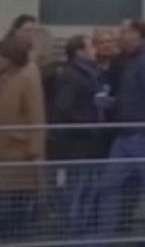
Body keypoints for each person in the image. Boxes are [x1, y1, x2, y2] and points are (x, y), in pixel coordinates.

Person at [101, 18, 145, 237]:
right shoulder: (130, 59)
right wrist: (115, 103)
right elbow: (133, 95)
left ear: (137, 34)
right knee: (109, 186)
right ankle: (104, 235)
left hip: (142, 135)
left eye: (124, 32)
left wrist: (144, 126)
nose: (119, 36)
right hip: (128, 132)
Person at [0, 36, 46, 243]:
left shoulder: (27, 77)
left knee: (13, 206)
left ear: (11, 57)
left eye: (0, 56)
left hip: (17, 152)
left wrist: (34, 149)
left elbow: (36, 115)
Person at [45, 34, 107, 238]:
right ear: (79, 51)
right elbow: (64, 107)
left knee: (86, 187)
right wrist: (89, 126)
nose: (95, 50)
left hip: (86, 142)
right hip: (75, 143)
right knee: (76, 188)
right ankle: (71, 231)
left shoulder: (89, 73)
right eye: (91, 46)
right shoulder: (72, 75)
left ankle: (79, 229)